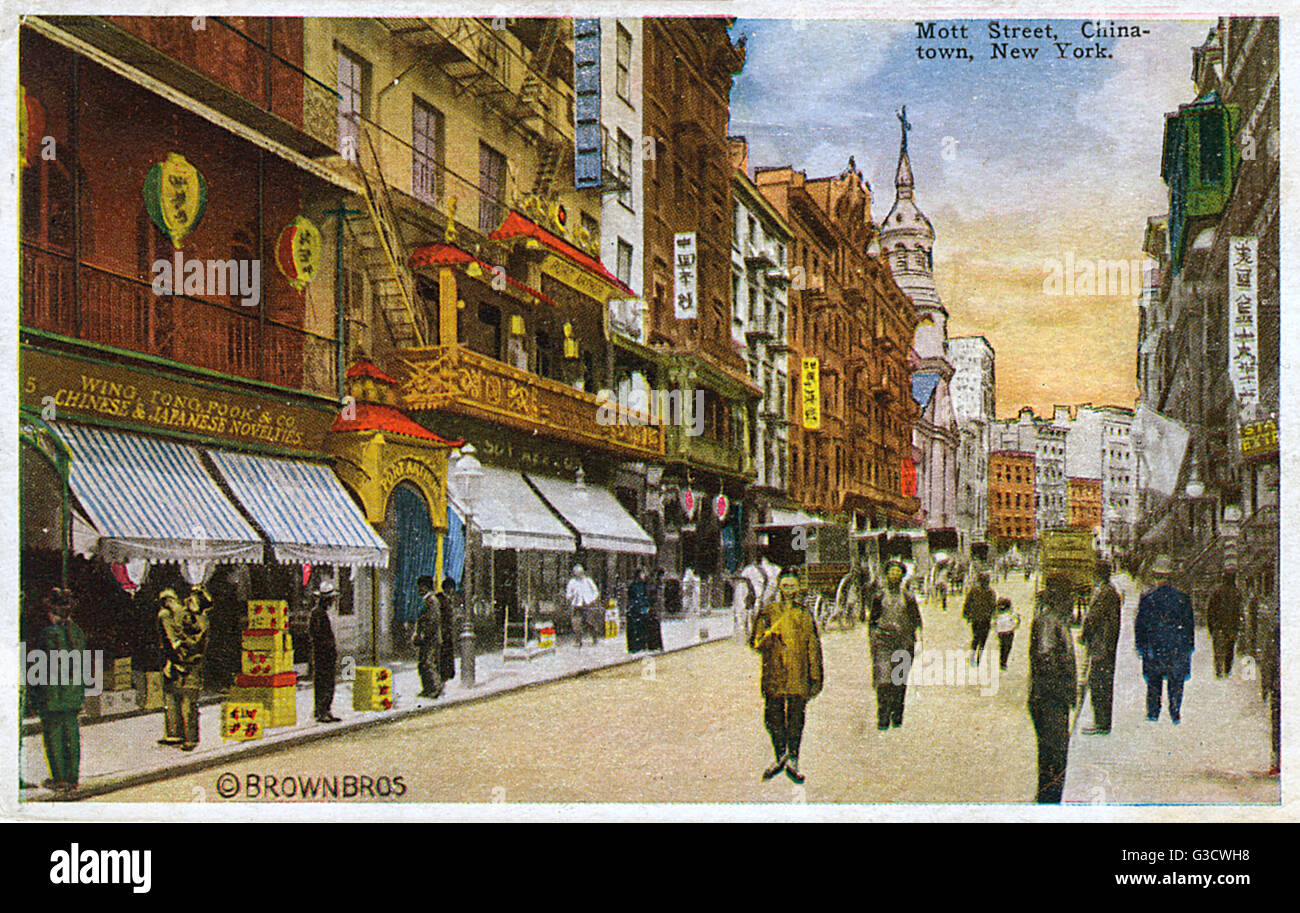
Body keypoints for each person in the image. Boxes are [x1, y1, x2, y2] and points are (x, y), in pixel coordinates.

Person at [751, 569, 823, 784]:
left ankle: (793, 757)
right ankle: (779, 753)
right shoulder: (769, 612)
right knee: (772, 716)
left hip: (798, 673)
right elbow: (756, 642)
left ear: (798, 588)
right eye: (785, 585)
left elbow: (813, 646)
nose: (788, 589)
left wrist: (815, 675)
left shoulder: (804, 614)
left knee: (796, 717)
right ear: (779, 587)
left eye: (793, 585)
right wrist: (768, 635)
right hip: (775, 671)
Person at [1028, 574, 1078, 803]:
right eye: (1068, 597)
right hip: (1050, 700)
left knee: (1055, 756)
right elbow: (1045, 656)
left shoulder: (1055, 620)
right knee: (1054, 757)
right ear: (1060, 598)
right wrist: (1062, 690)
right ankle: (1048, 804)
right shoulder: (1049, 621)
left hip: (1053, 699)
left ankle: (1049, 801)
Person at [35, 588, 87, 792]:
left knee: (55, 737)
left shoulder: (48, 634)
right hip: (73, 693)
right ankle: (72, 778)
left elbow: (40, 667)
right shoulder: (77, 632)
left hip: (53, 695)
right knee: (72, 736)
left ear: (52, 612)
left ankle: (60, 779)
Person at [1134, 555, 1194, 724]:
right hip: (1176, 648)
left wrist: (1141, 646)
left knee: (1153, 683)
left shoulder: (1147, 599)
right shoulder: (1183, 599)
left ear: (1155, 577)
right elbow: (1189, 626)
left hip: (1154, 648)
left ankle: (1153, 713)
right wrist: (1188, 647)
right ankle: (1175, 712)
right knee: (1176, 683)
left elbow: (1140, 626)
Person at [870, 559, 923, 731]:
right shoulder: (878, 597)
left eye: (898, 573)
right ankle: (883, 719)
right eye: (891, 572)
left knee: (898, 682)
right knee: (884, 682)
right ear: (886, 576)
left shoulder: (908, 598)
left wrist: (916, 641)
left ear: (902, 577)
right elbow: (872, 622)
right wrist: (873, 642)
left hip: (904, 644)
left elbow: (917, 621)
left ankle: (897, 716)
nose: (894, 576)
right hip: (884, 644)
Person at [158, 586, 209, 750]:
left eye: (193, 600)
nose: (188, 601)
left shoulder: (201, 620)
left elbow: (194, 643)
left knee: (188, 703)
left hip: (191, 665)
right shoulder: (187, 616)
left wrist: (179, 640)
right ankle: (174, 734)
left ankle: (191, 738)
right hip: (178, 663)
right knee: (172, 698)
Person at [1080, 561, 1122, 735]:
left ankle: (1102, 723)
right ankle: (1102, 721)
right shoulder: (1109, 591)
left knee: (1099, 684)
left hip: (1102, 646)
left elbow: (1093, 618)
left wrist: (1084, 635)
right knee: (1100, 683)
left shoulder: (1105, 593)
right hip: (1105, 645)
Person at [309, 579, 341, 722]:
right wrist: (327, 648)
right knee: (324, 682)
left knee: (328, 682)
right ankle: (321, 710)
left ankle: (325, 709)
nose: (331, 602)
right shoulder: (317, 614)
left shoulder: (323, 613)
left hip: (326, 654)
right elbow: (316, 635)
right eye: (330, 599)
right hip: (322, 654)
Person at [1206, 570, 1242, 678]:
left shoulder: (1216, 592)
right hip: (1231, 627)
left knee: (1218, 650)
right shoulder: (1237, 593)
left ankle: (1218, 670)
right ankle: (1227, 669)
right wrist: (1238, 626)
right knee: (1229, 649)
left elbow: (1210, 611)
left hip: (1218, 626)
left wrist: (1211, 626)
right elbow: (1239, 611)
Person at [413, 576, 443, 698]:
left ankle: (435, 688)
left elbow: (433, 620)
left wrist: (423, 634)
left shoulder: (432, 601)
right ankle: (427, 688)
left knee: (428, 663)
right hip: (426, 639)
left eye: (421, 587)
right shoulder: (427, 600)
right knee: (422, 664)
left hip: (431, 639)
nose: (419, 589)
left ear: (426, 587)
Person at [962, 571, 997, 666]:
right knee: (983, 640)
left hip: (976, 619)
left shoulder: (974, 591)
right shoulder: (991, 592)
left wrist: (966, 615)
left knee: (976, 637)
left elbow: (967, 603)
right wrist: (994, 617)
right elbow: (993, 606)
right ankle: (978, 658)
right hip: (986, 620)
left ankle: (972, 656)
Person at [565, 565, 600, 648]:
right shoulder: (572, 582)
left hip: (587, 604)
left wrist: (592, 599)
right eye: (577, 573)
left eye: (580, 573)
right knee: (577, 623)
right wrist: (571, 596)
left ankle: (594, 638)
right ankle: (578, 641)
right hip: (577, 605)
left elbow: (596, 591)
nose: (579, 575)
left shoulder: (588, 581)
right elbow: (568, 593)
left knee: (590, 622)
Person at [438, 577, 458, 683]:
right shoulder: (440, 600)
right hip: (441, 631)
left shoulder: (449, 599)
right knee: (442, 653)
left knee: (448, 651)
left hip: (448, 631)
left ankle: (448, 673)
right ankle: (442, 674)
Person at [625, 568, 650, 654]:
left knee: (642, 629)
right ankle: (635, 647)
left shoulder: (644, 585)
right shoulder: (633, 586)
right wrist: (636, 607)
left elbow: (645, 596)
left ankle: (642, 645)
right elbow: (632, 598)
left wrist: (646, 606)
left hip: (642, 609)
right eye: (642, 574)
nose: (644, 576)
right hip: (635, 610)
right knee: (635, 629)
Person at [993, 597, 1020, 671]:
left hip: (1004, 632)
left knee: (1005, 647)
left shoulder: (1003, 615)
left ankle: (1003, 661)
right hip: (1007, 632)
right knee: (1006, 647)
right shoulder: (1007, 614)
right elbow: (1016, 621)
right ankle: (1003, 662)